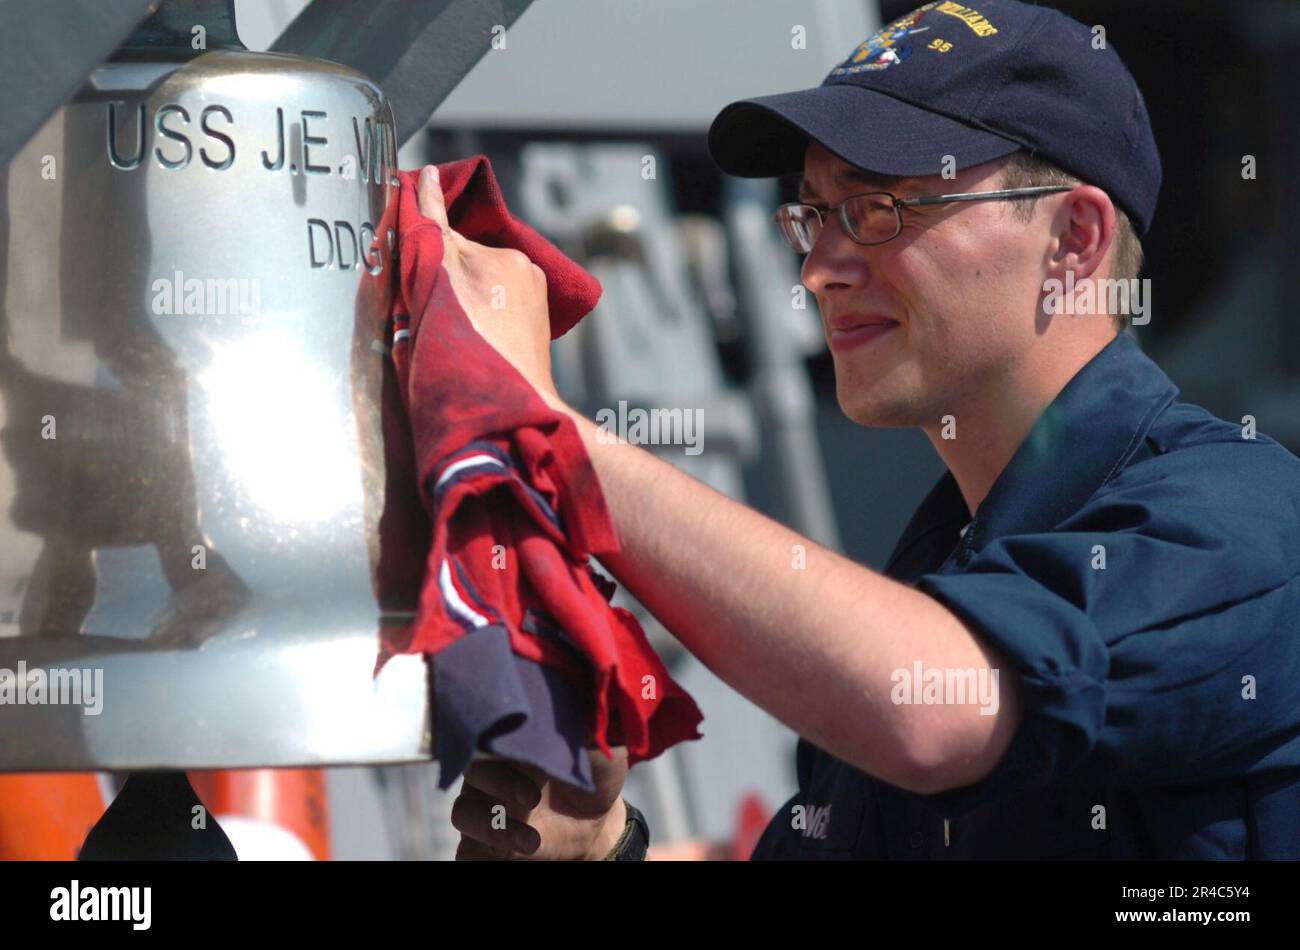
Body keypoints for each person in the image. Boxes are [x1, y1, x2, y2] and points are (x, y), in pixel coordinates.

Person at [429, 0, 1300, 860]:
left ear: (1074, 238)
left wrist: (539, 427)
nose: (817, 268)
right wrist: (604, 847)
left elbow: (935, 714)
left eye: (879, 207)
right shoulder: (930, 582)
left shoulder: (1248, 520)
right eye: (810, 215)